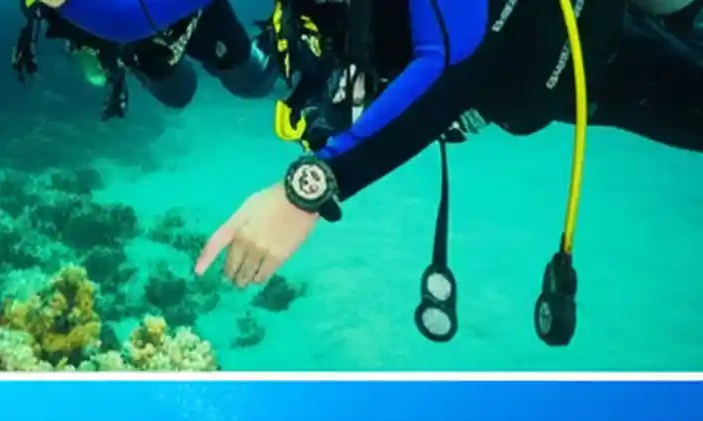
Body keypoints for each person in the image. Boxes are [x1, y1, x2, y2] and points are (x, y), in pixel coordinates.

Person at [193, 0, 703, 293]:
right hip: (571, 81)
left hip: (610, 53)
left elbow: (453, 62)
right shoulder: (303, 11)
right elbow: (323, 91)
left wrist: (308, 189)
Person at [0, 0, 291, 118]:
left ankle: (288, 43)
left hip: (181, 15)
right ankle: (115, 63)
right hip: (119, 30)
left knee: (252, 80)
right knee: (177, 93)